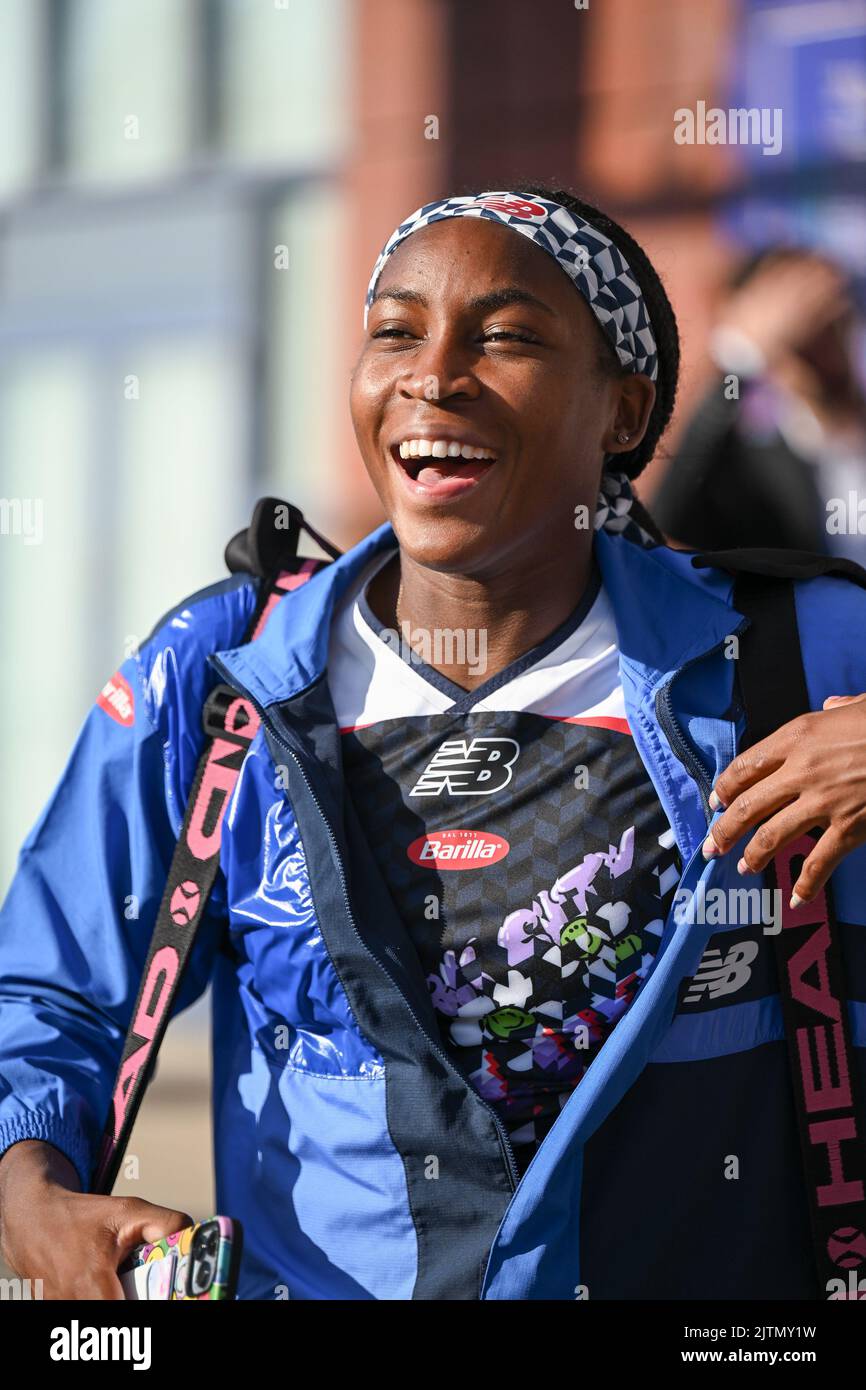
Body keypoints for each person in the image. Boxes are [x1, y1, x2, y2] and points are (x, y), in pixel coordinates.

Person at [1, 186, 866, 1301]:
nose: (433, 374)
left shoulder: (792, 651)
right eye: (395, 331)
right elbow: (47, 991)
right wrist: (28, 1190)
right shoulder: (222, 676)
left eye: (504, 337)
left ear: (621, 408)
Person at [652, 247, 866, 558]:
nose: (823, 341)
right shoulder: (749, 466)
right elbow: (668, 519)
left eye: (832, 317)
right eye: (802, 326)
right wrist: (742, 358)